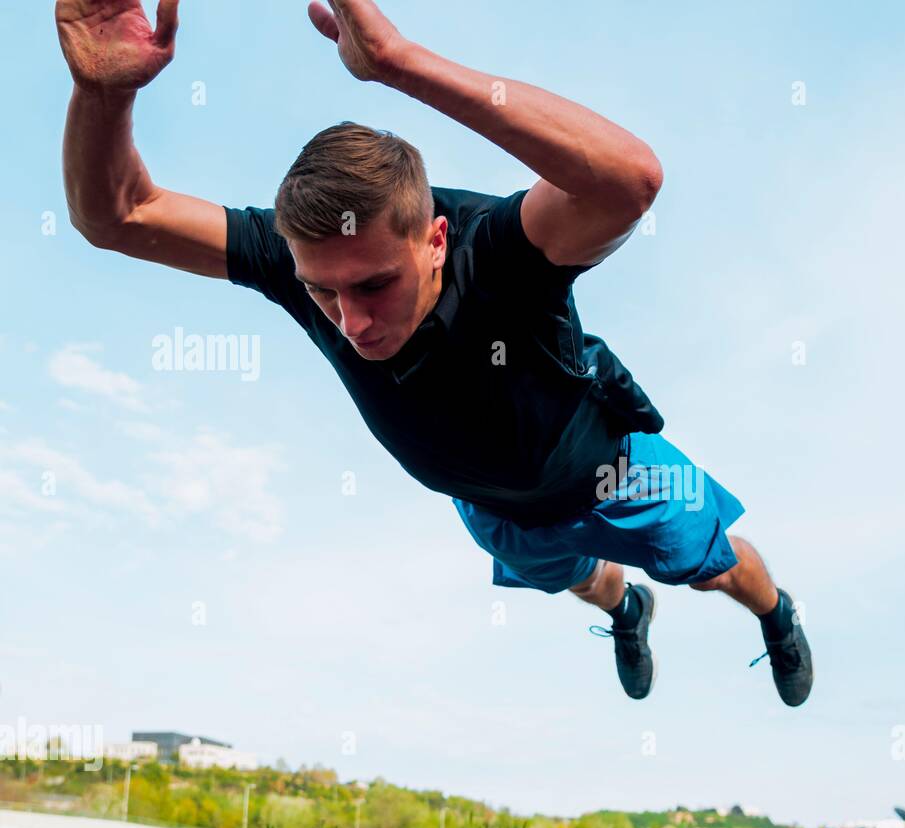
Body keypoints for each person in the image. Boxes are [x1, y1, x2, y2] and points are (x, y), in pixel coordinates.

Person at [55, 0, 813, 706]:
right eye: (325, 293)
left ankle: (777, 614)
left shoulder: (497, 253)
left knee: (713, 568)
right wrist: (100, 93)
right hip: (493, 508)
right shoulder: (292, 260)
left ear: (434, 240)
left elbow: (629, 179)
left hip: (612, 472)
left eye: (376, 285)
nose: (351, 322)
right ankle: (626, 608)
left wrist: (400, 63)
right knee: (581, 579)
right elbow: (118, 214)